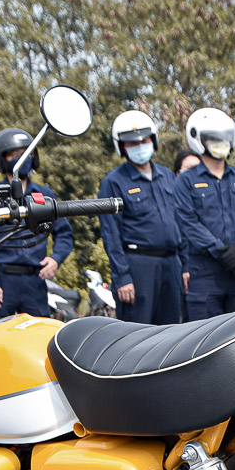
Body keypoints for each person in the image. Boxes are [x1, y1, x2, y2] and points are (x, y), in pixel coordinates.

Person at [99, 110, 185, 325]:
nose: (139, 146)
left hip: (172, 263)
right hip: (138, 266)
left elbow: (182, 223)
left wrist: (187, 267)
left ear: (153, 141)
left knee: (173, 331)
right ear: (122, 147)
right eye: (131, 143)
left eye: (144, 140)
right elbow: (111, 234)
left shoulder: (167, 176)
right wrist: (123, 277)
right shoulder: (114, 181)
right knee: (137, 333)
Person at [0, 127, 74, 321]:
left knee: (38, 336)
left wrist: (56, 259)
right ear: (2, 159)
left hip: (35, 281)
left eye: (25, 154)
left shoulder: (45, 195)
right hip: (2, 281)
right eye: (13, 155)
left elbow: (64, 234)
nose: (20, 158)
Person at [174, 108, 235, 319]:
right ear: (199, 141)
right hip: (205, 275)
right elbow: (188, 222)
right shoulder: (185, 181)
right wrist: (221, 251)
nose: (220, 142)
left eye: (224, 137)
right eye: (213, 138)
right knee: (206, 340)